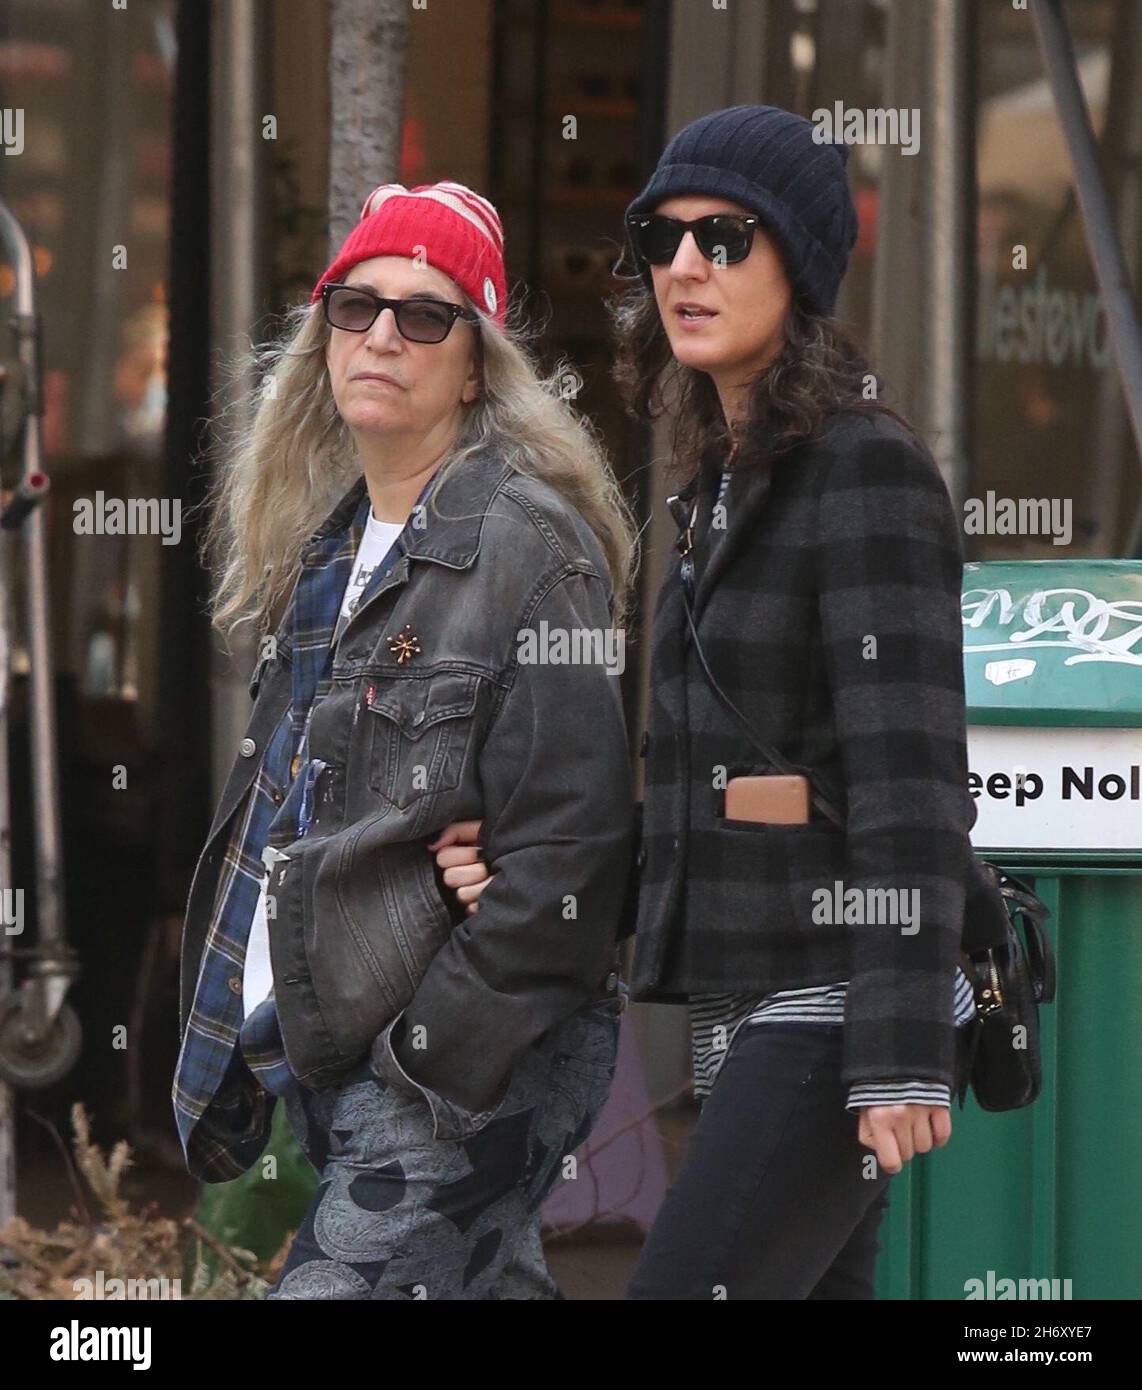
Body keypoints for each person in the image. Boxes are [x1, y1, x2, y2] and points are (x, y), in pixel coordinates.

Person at [434, 107, 980, 1300]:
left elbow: (912, 777)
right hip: (757, 994)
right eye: (662, 239)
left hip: (837, 997)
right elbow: (706, 798)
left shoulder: (862, 467)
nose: (683, 266)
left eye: (724, 237)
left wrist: (896, 1050)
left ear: (800, 260)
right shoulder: (726, 486)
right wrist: (533, 864)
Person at [172, 180, 637, 1299]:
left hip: (456, 1065)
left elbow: (572, 856)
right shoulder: (329, 551)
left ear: (474, 365)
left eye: (424, 314)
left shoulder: (530, 546)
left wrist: (434, 1047)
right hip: (343, 1057)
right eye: (355, 306)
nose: (381, 333)